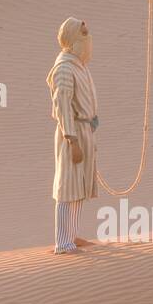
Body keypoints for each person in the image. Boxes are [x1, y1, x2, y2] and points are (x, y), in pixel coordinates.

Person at [47, 16, 99, 254]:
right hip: (73, 133)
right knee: (67, 187)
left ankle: (72, 235)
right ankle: (62, 242)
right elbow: (62, 106)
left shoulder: (78, 65)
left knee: (79, 186)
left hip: (84, 130)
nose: (88, 39)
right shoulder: (65, 69)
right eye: (83, 34)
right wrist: (72, 139)